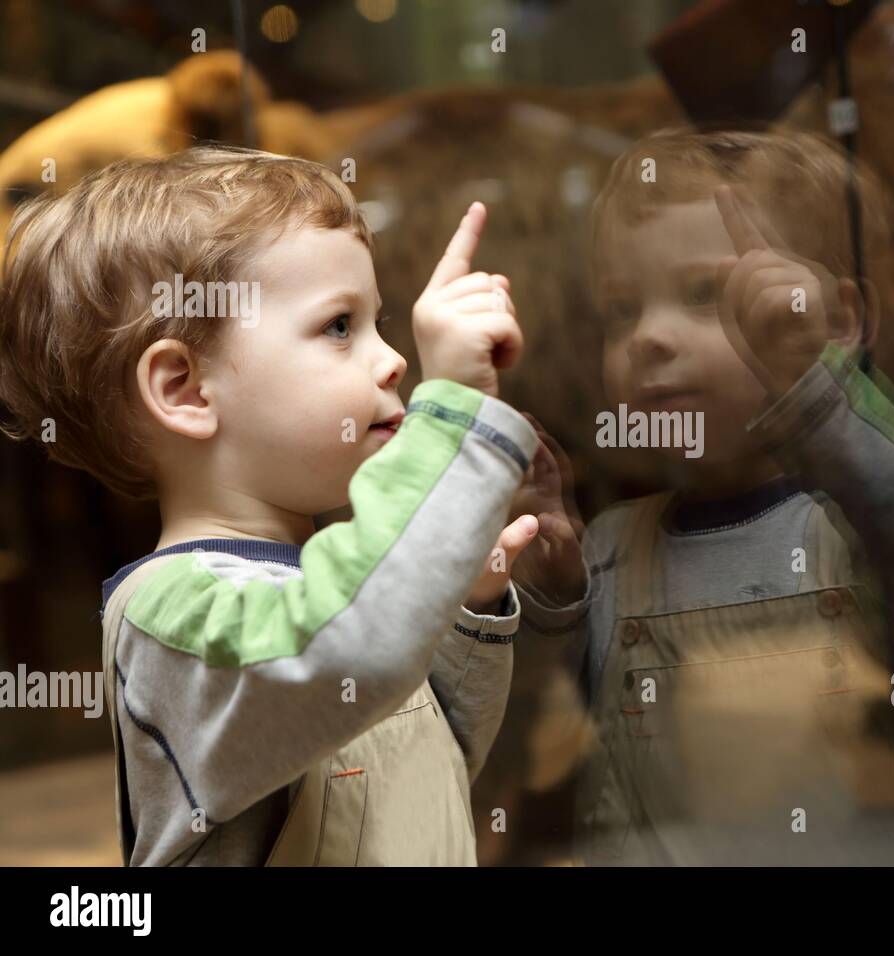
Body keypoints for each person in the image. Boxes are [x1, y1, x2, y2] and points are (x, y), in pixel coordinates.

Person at [0, 146, 539, 865]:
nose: (395, 360)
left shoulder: (333, 586)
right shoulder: (175, 616)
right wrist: (456, 414)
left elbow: (437, 766)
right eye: (340, 327)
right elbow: (348, 653)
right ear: (187, 390)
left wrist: (464, 612)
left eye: (378, 322)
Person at [509, 129, 894, 865]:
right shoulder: (612, 546)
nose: (649, 336)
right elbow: (554, 731)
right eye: (622, 310)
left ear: (837, 320)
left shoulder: (860, 521)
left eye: (706, 294)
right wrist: (552, 589)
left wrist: (812, 383)